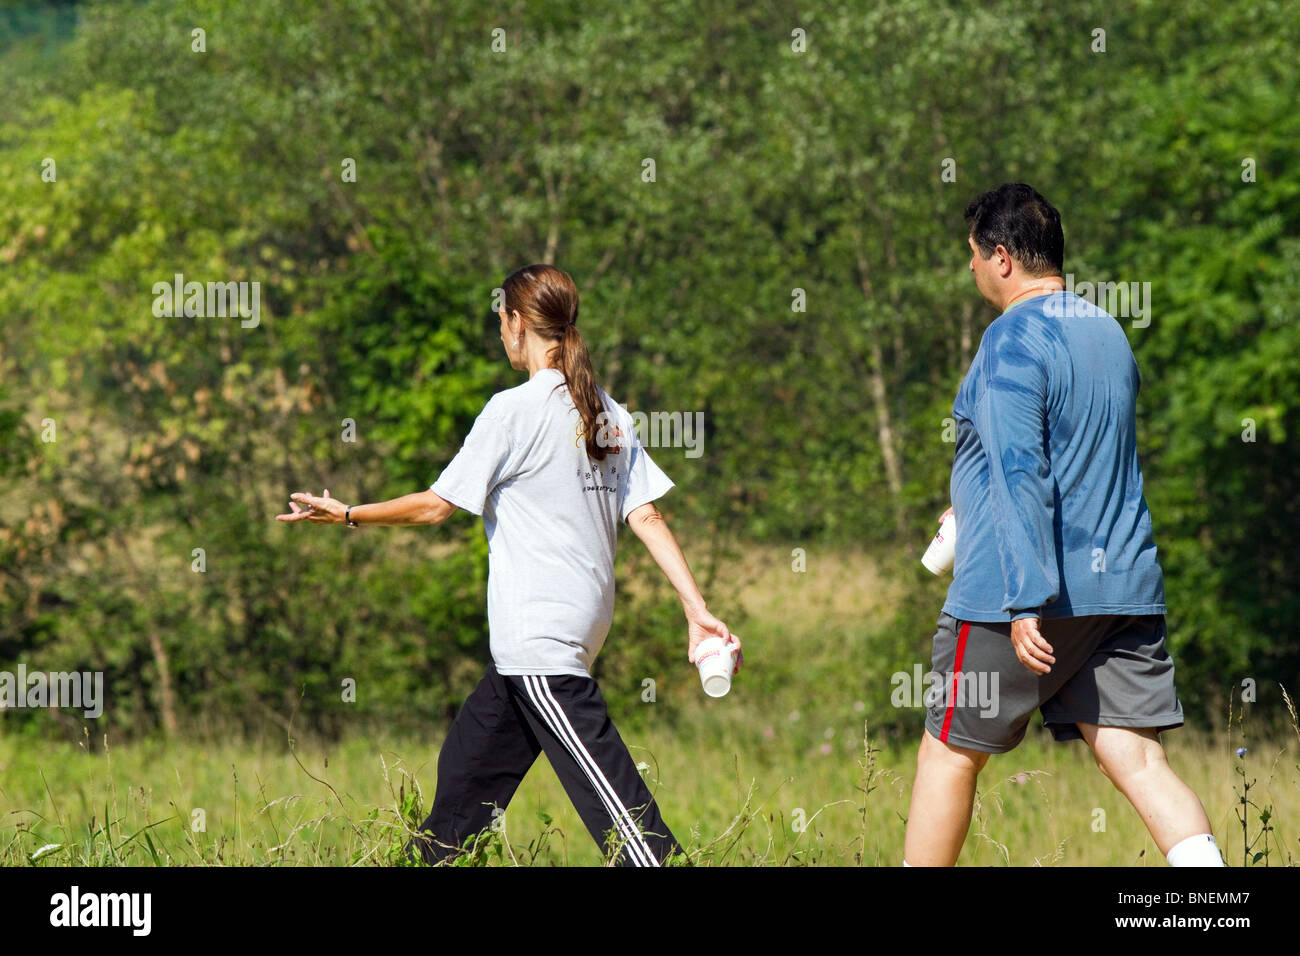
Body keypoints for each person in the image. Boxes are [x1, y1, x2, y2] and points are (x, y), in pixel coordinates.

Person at [276, 264, 739, 866]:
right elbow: (646, 518)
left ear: (517, 324)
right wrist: (694, 606)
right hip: (546, 648)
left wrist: (347, 515)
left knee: (630, 832)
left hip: (542, 646)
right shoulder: (608, 412)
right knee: (460, 797)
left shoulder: (513, 410)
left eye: (501, 321)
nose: (501, 333)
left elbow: (436, 508)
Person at [902, 184, 1223, 868]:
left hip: (1016, 598)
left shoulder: (1008, 340)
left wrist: (1025, 598)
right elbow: (1076, 459)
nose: (969, 269)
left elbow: (1024, 472)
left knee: (948, 754)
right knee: (1136, 758)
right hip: (1119, 591)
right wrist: (969, 502)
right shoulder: (1105, 330)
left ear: (1001, 258)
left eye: (972, 255)